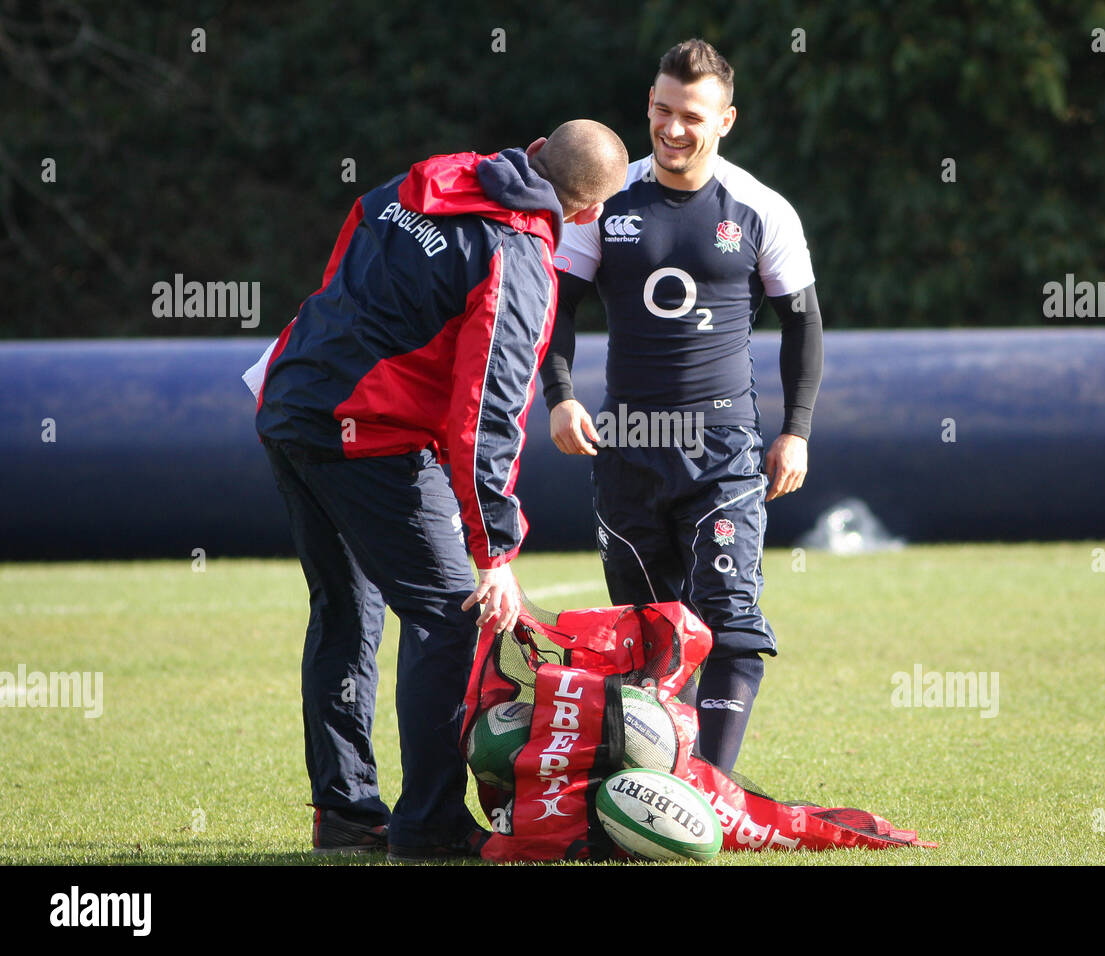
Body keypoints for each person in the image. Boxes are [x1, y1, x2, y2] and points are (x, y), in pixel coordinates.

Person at [245, 121, 628, 861]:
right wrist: (494, 553)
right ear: (585, 214)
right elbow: (486, 412)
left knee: (344, 612)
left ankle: (347, 812)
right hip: (365, 436)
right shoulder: (518, 260)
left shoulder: (439, 174)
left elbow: (346, 257)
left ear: (538, 144)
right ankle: (427, 826)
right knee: (451, 618)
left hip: (290, 402)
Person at [541, 40, 823, 774]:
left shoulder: (762, 209)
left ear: (725, 120)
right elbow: (555, 309)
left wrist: (795, 432)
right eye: (662, 110)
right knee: (643, 638)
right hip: (626, 446)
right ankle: (652, 791)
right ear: (648, 106)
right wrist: (562, 399)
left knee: (730, 621)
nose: (672, 128)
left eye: (691, 115)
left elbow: (803, 323)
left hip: (723, 449)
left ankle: (712, 789)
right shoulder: (605, 202)